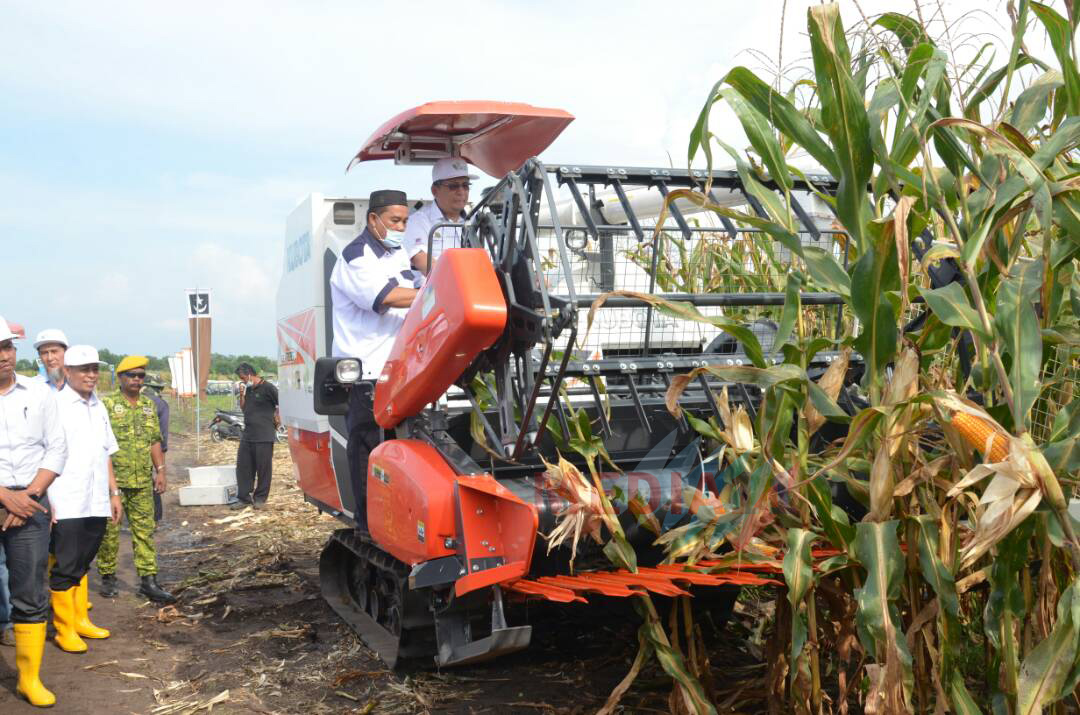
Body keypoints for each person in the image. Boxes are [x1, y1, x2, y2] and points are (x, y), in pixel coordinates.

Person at [330, 189, 420, 533]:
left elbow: (414, 283)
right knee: (369, 447)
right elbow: (389, 297)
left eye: (405, 221)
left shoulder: (397, 254)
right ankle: (369, 526)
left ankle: (399, 523)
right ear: (373, 219)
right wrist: (438, 289)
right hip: (367, 373)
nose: (401, 227)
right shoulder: (357, 256)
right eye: (395, 221)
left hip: (398, 369)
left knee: (401, 450)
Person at [0, 315, 67, 707]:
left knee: (29, 590)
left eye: (7, 347)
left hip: (31, 502)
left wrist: (30, 494)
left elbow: (56, 447)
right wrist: (5, 497)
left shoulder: (38, 394)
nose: (3, 356)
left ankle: (28, 678)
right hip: (11, 499)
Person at [47, 345, 123, 653]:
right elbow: (45, 454)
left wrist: (113, 492)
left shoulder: (99, 406)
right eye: (84, 369)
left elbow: (105, 452)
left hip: (95, 499)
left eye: (94, 369)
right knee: (65, 564)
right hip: (65, 498)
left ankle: (80, 619)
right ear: (67, 372)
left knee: (83, 560)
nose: (91, 375)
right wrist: (46, 500)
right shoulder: (54, 406)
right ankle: (64, 629)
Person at [96, 355, 175, 603]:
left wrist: (160, 470)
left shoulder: (149, 406)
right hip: (113, 483)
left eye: (141, 375)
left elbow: (154, 440)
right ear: (120, 377)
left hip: (142, 482)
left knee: (145, 532)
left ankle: (148, 581)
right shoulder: (106, 405)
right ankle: (107, 575)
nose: (137, 380)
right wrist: (110, 486)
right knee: (110, 533)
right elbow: (100, 446)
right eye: (132, 375)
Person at [403, 157, 477, 274]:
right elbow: (421, 260)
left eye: (465, 185)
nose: (461, 191)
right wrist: (460, 285)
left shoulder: (476, 221)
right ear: (434, 191)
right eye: (453, 186)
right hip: (433, 291)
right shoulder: (418, 221)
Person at [232, 362, 279, 509]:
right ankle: (244, 498)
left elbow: (282, 404)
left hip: (264, 435)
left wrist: (277, 419)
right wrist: (242, 394)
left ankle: (260, 499)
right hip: (248, 434)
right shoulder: (249, 390)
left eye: (244, 378)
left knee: (263, 468)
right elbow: (244, 408)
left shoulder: (269, 388)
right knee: (243, 466)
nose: (243, 381)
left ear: (251, 374)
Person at [143, 376, 169, 522]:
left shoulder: (127, 399)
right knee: (151, 482)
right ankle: (155, 517)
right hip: (151, 450)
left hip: (120, 454)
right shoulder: (161, 405)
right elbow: (162, 438)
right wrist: (161, 470)